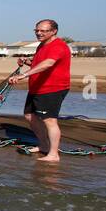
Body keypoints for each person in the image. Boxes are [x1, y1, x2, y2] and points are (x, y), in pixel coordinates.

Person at [8, 18, 72, 162]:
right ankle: (43, 145)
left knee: (50, 120)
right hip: (36, 88)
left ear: (53, 31)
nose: (39, 33)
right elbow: (38, 63)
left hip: (52, 89)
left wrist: (23, 75)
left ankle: (54, 154)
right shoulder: (41, 45)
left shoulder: (59, 46)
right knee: (30, 116)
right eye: (36, 30)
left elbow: (48, 63)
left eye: (43, 31)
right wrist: (27, 62)